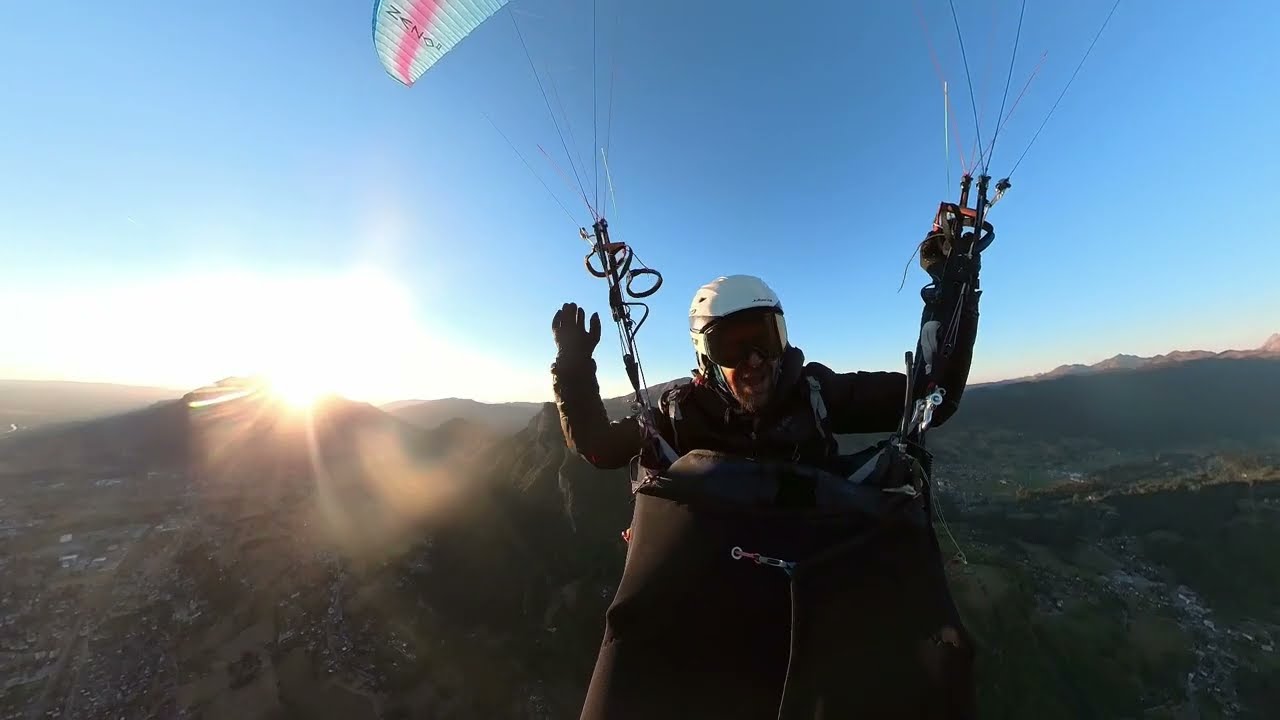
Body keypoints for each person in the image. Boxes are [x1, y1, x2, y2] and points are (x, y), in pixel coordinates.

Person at [550, 232, 979, 473]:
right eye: (733, 346)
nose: (755, 359)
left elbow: (931, 401)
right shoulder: (679, 415)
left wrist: (952, 291)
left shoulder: (815, 394)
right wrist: (573, 368)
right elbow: (599, 448)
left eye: (766, 339)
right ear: (706, 358)